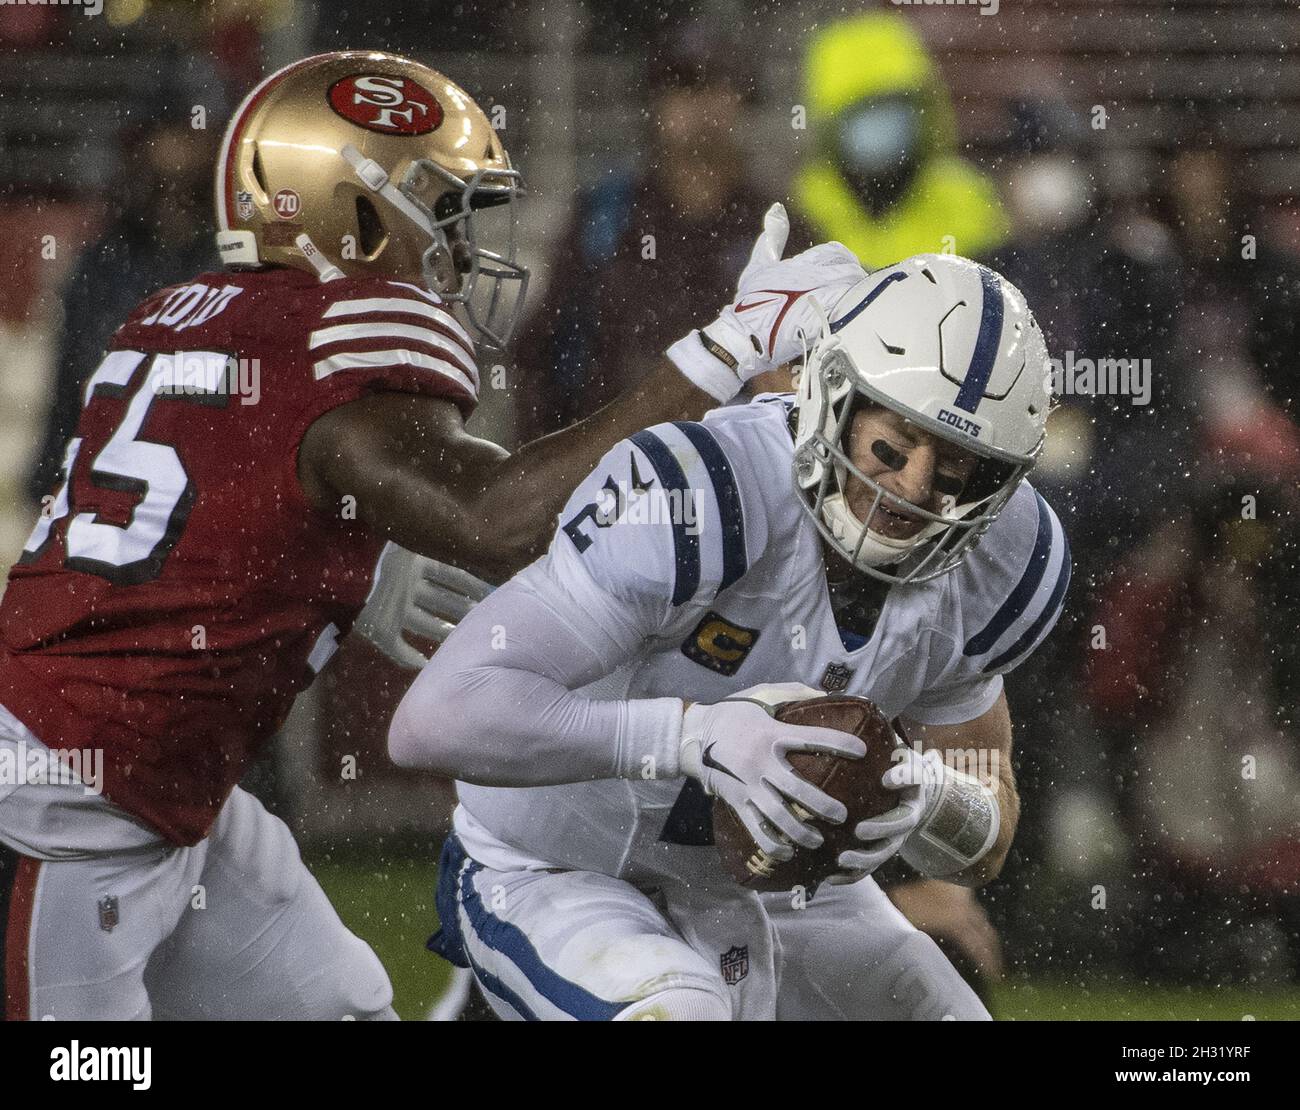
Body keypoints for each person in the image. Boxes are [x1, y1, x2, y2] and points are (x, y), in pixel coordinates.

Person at [0, 49, 860, 1020]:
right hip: (65, 800)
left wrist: (337, 566)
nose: (462, 249)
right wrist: (720, 351)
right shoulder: (332, 342)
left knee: (348, 1009)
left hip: (165, 780)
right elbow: (499, 522)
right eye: (445, 211)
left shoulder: (191, 310)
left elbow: (219, 495)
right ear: (354, 210)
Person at [391, 254, 1070, 1020]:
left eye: (955, 472)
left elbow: (991, 826)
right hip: (558, 867)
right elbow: (434, 720)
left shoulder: (1007, 561)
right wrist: (692, 737)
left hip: (783, 886)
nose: (911, 490)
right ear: (830, 397)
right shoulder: (704, 494)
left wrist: (921, 796)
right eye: (892, 447)